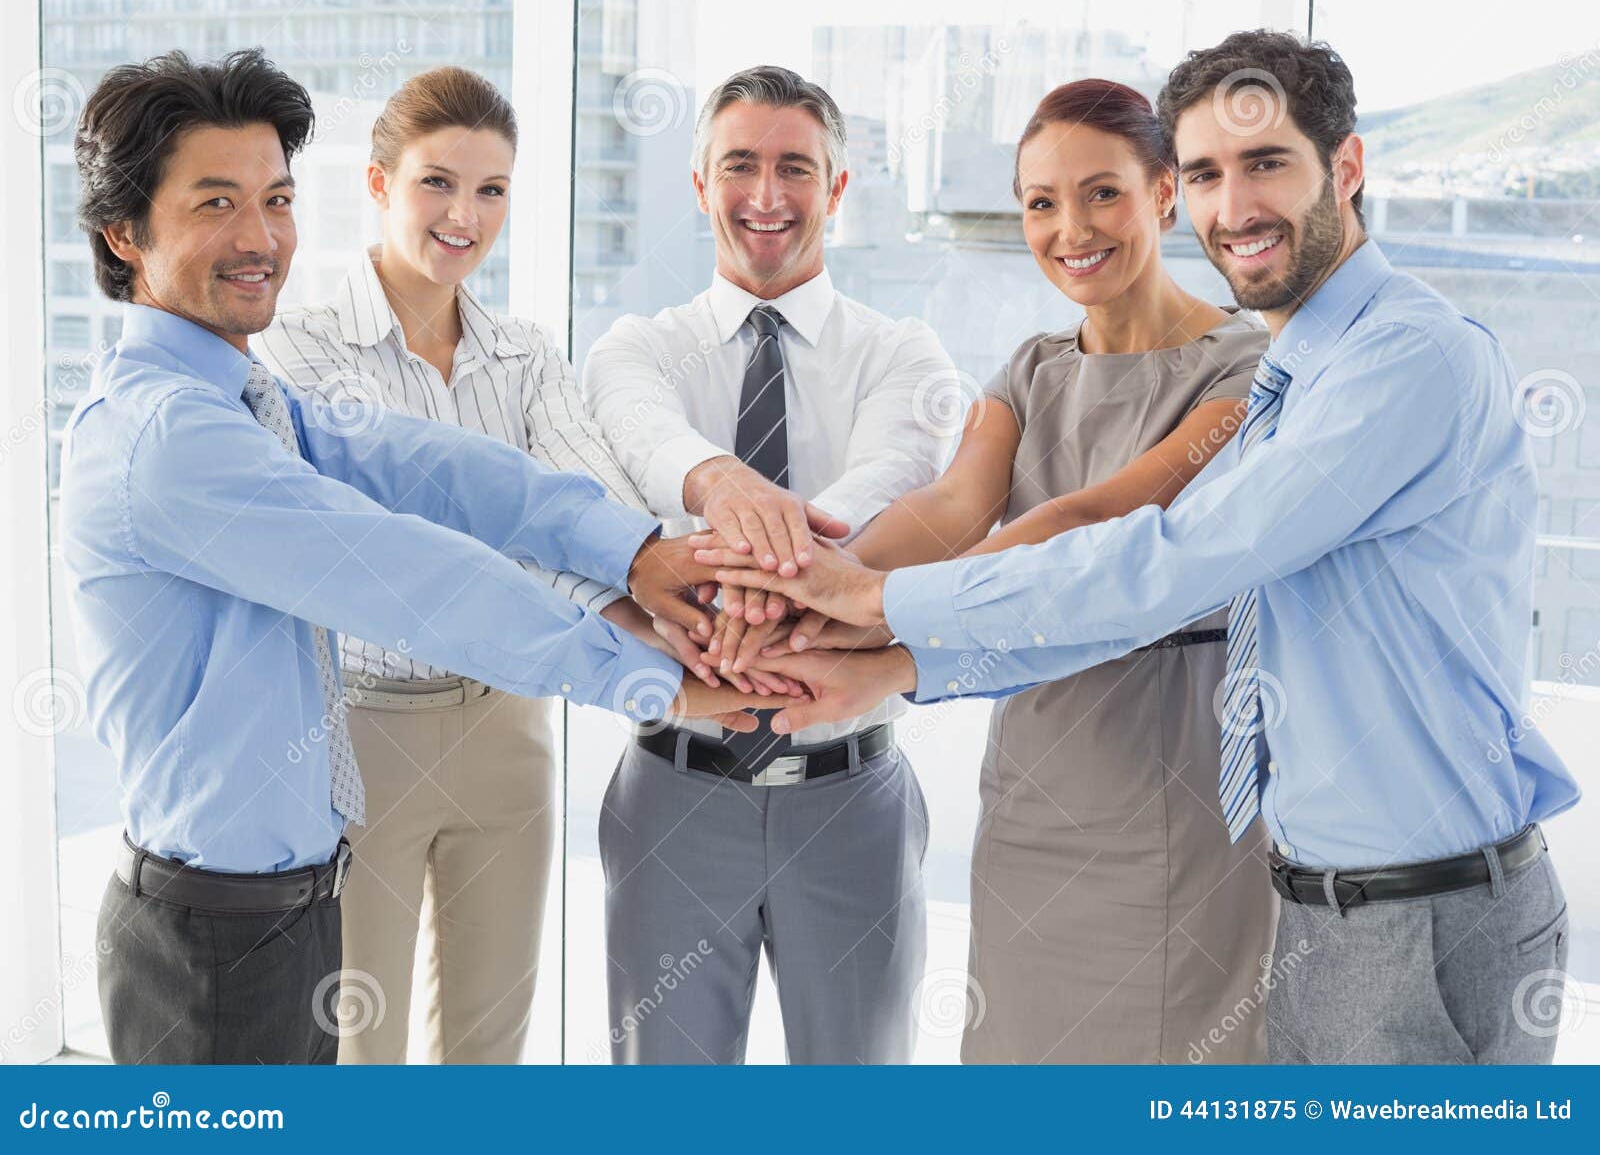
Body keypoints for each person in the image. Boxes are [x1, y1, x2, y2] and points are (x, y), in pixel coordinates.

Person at [711, 31, 1581, 1065]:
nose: (1232, 206)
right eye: (1211, 171)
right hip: (1313, 898)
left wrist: (874, 604)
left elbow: (1157, 559)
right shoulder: (1296, 366)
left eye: (1264, 165)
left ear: (1343, 170)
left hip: (1409, 908)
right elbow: (981, 517)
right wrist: (859, 635)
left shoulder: (1383, 361)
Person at [60, 48, 763, 1066]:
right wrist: (649, 676)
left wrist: (639, 547)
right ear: (124, 233)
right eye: (217, 202)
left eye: (277, 198)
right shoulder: (171, 436)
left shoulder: (242, 395)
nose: (261, 238)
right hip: (212, 942)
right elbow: (408, 574)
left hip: (278, 905)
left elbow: (427, 464)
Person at [742, 79, 1274, 1063]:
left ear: (1162, 191)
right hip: (1037, 788)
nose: (1069, 227)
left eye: (1100, 192)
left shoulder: (1242, 370)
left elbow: (1095, 520)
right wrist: (805, 587)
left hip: (1170, 789)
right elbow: (948, 508)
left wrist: (871, 613)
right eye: (1040, 203)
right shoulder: (1031, 367)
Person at [254, 66, 749, 1065]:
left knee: (490, 1042)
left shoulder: (525, 357)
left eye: (491, 191)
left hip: (508, 725)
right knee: (362, 1044)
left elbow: (594, 519)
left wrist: (691, 629)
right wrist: (646, 659)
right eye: (438, 182)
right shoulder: (297, 358)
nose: (464, 215)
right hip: (360, 735)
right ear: (381, 183)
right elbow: (399, 559)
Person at [582, 65, 955, 1064]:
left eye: (796, 167)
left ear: (835, 188)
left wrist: (753, 571)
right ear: (701, 183)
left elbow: (888, 483)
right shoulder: (636, 349)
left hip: (853, 797)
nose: (766, 193)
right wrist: (724, 489)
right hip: (673, 794)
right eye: (739, 164)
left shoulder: (903, 354)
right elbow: (642, 435)